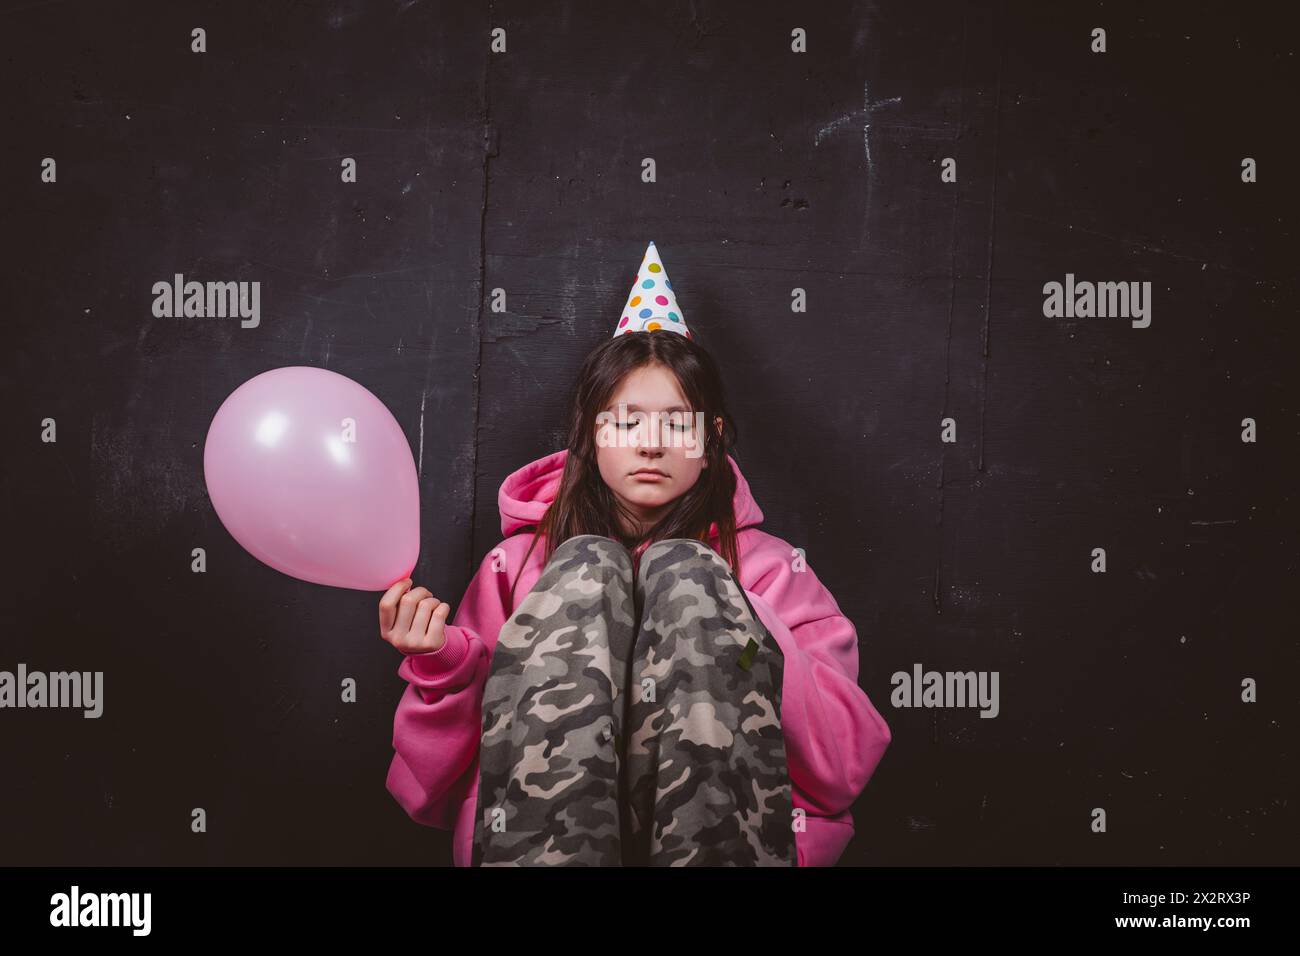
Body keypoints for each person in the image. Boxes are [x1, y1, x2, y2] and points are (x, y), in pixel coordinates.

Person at [379, 242, 891, 866]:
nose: (650, 445)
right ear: (591, 437)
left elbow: (841, 768)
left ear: (712, 441)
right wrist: (444, 664)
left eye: (677, 424)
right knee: (588, 566)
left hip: (725, 841)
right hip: (541, 843)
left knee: (687, 572)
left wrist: (734, 617)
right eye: (625, 422)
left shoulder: (777, 570)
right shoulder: (516, 568)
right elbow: (428, 793)